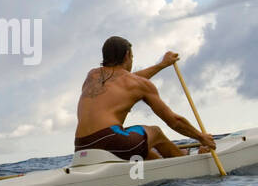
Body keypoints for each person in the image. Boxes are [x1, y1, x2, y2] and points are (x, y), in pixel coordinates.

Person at [73, 36, 216, 160]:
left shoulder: (92, 76)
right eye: (132, 57)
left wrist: (161, 65)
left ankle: (166, 159)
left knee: (142, 149)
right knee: (155, 132)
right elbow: (174, 121)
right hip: (110, 141)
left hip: (81, 146)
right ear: (127, 55)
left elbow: (126, 80)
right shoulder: (139, 84)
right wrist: (201, 137)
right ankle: (185, 161)